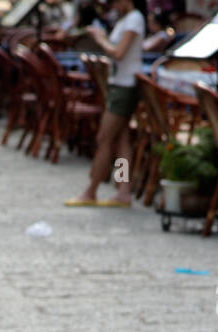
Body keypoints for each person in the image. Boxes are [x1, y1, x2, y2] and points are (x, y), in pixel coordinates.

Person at [65, 0, 145, 207]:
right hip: (119, 83)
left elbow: (119, 53)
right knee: (121, 141)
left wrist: (100, 39)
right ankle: (123, 190)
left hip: (125, 86)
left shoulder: (134, 19)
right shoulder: (126, 19)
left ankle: (91, 190)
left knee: (105, 138)